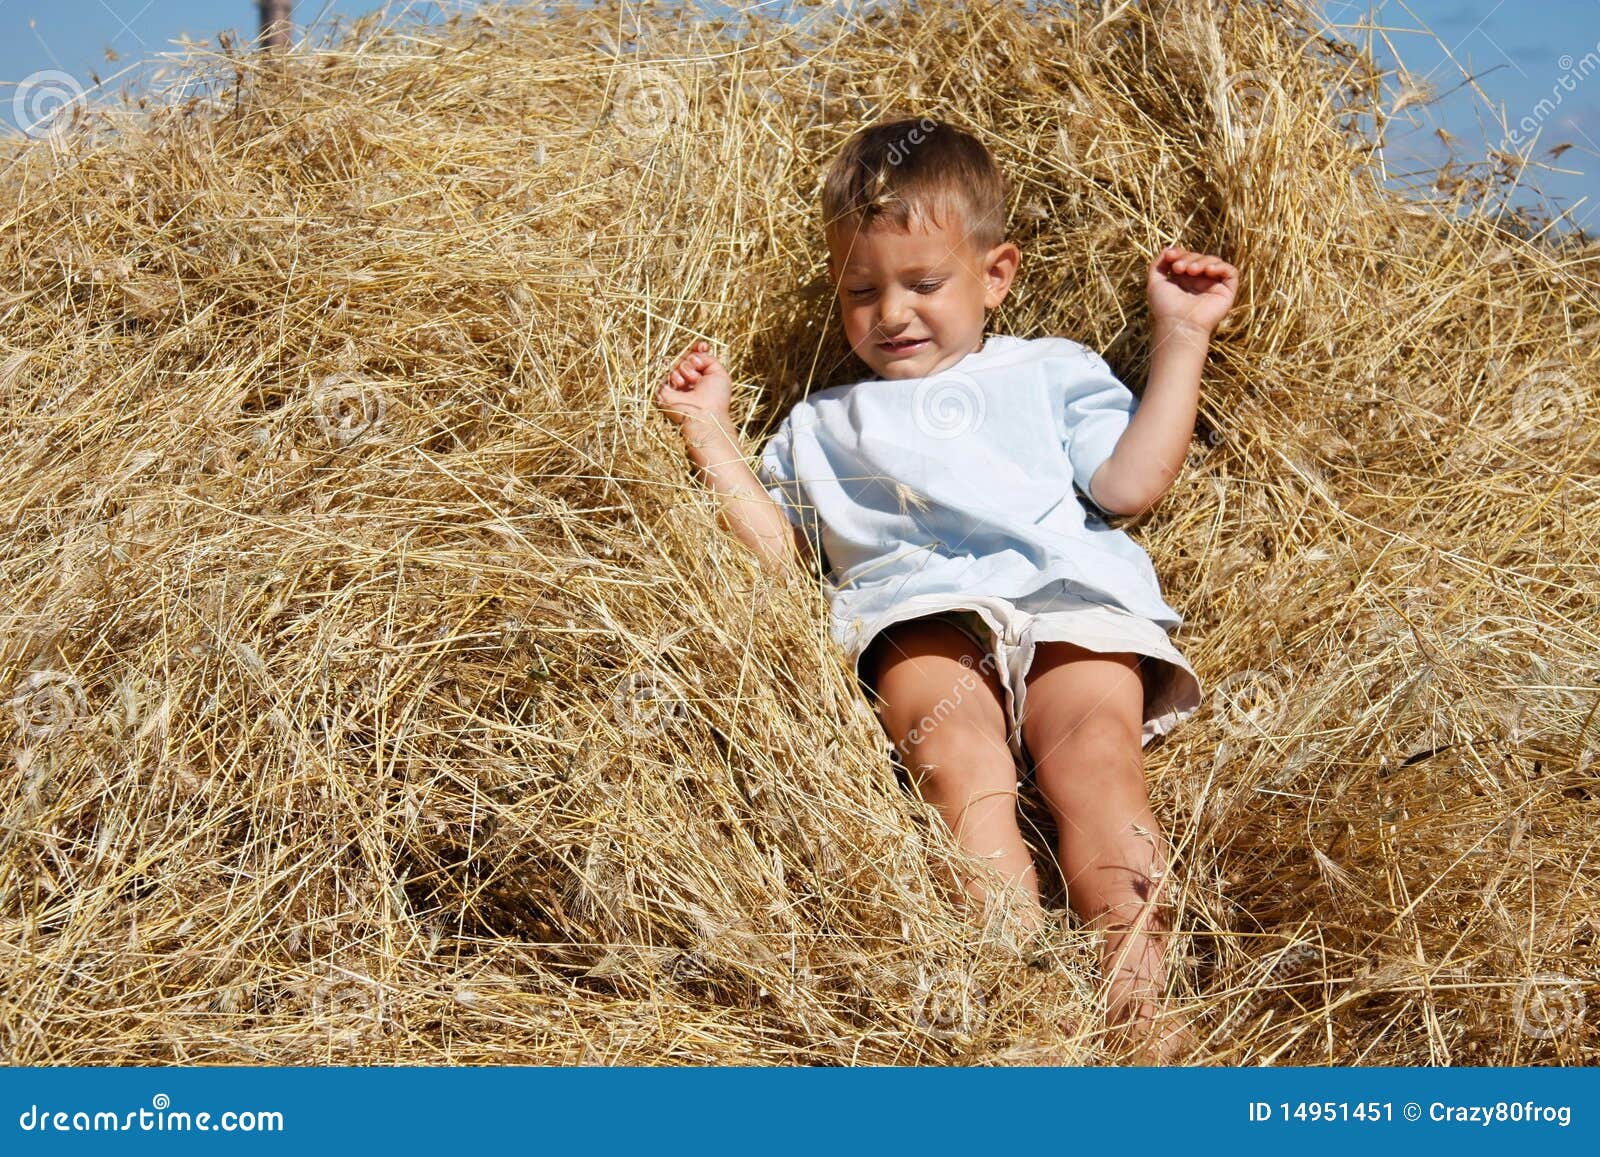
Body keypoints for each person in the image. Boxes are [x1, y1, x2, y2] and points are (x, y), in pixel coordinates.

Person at [654, 117, 1238, 1063]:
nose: (892, 313)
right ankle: (1026, 1003)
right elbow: (779, 553)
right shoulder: (820, 423)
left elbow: (1130, 485)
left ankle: (1139, 1001)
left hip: (1065, 597)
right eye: (862, 291)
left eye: (924, 284)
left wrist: (1180, 336)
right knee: (961, 767)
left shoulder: (1050, 371)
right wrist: (710, 434)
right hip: (917, 611)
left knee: (1094, 761)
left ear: (994, 274)